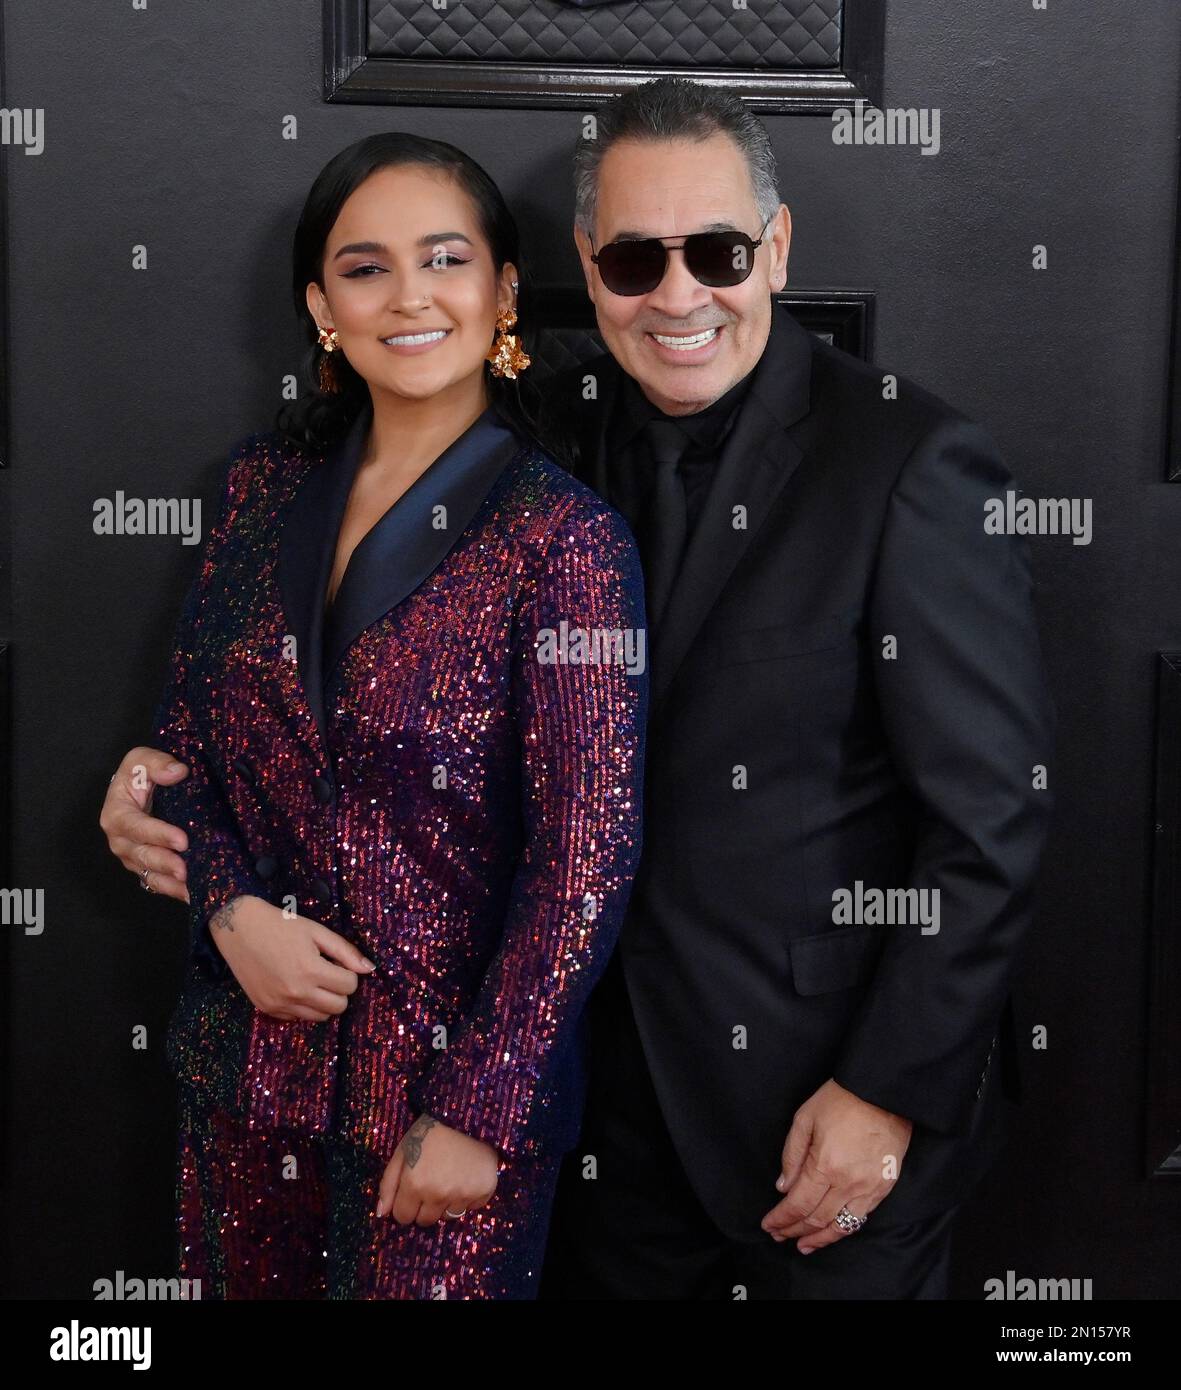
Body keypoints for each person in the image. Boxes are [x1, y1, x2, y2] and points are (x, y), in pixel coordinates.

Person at [105, 77, 1056, 1300]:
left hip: (814, 1113)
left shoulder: (908, 464)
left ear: (773, 248)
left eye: (714, 250)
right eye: (631, 258)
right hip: (584, 1115)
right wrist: (155, 789)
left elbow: (990, 825)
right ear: (578, 263)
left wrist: (886, 1089)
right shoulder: (530, 436)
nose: (677, 296)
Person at [102, 130, 647, 1300]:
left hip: (437, 1118)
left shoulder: (565, 541)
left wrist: (482, 1109)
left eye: (445, 259)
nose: (408, 296)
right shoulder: (257, 491)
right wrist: (228, 906)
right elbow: (185, 748)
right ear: (319, 303)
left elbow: (583, 857)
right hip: (243, 1074)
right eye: (364, 267)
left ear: (502, 290)